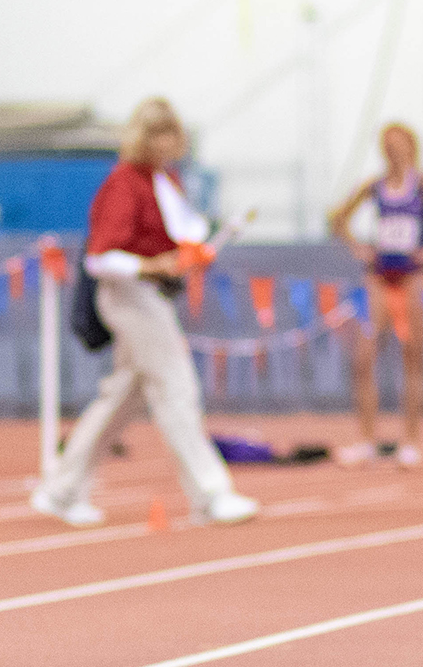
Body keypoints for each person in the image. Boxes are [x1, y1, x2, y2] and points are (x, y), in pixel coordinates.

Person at [31, 97, 258, 527]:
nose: (167, 142)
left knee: (122, 398)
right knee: (176, 388)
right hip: (130, 297)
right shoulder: (124, 184)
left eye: (171, 133)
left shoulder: (165, 180)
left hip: (152, 296)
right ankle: (211, 493)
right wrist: (153, 265)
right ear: (143, 137)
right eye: (159, 134)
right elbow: (100, 258)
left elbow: (183, 233)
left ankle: (61, 490)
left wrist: (191, 252)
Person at [326, 123, 423, 467]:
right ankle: (366, 439)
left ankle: (410, 441)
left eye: (398, 144)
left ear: (411, 147)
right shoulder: (374, 186)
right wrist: (358, 248)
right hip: (379, 276)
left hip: (412, 277)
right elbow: (338, 219)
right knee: (365, 356)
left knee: (412, 354)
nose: (393, 151)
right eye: (387, 145)